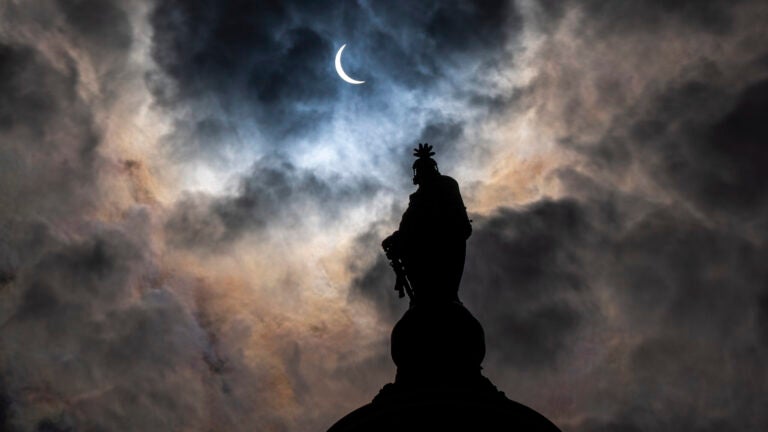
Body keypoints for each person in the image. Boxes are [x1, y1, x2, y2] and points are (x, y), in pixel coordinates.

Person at [383, 143, 472, 304]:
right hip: (420, 255)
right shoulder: (418, 197)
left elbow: (425, 224)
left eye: (422, 171)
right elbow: (410, 226)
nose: (419, 175)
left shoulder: (444, 186)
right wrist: (397, 238)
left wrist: (400, 237)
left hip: (439, 250)